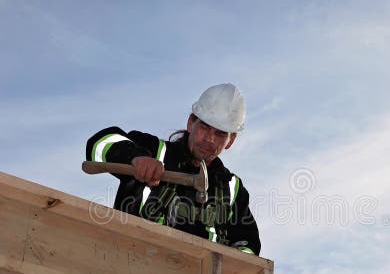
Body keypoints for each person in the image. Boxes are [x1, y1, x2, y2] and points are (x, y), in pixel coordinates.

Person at [86, 83, 261, 255]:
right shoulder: (155, 151)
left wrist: (235, 262)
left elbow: (248, 245)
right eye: (204, 127)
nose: (210, 139)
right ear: (191, 123)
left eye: (221, 134)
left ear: (230, 141)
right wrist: (136, 158)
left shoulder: (232, 188)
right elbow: (100, 143)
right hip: (129, 264)